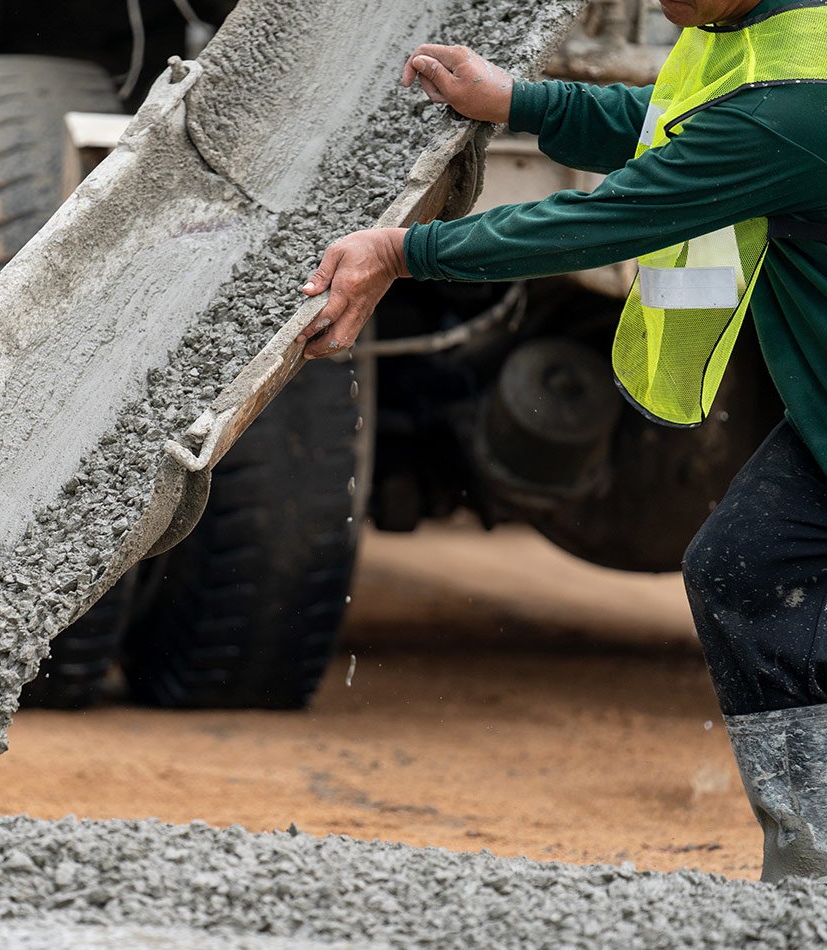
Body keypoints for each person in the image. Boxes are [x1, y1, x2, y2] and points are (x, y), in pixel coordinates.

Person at [299, 0, 827, 882]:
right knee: (745, 565)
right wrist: (521, 103)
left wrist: (404, 253)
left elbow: (610, 217)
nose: (657, 4)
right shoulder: (770, 38)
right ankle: (812, 867)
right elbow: (670, 125)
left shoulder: (798, 105)